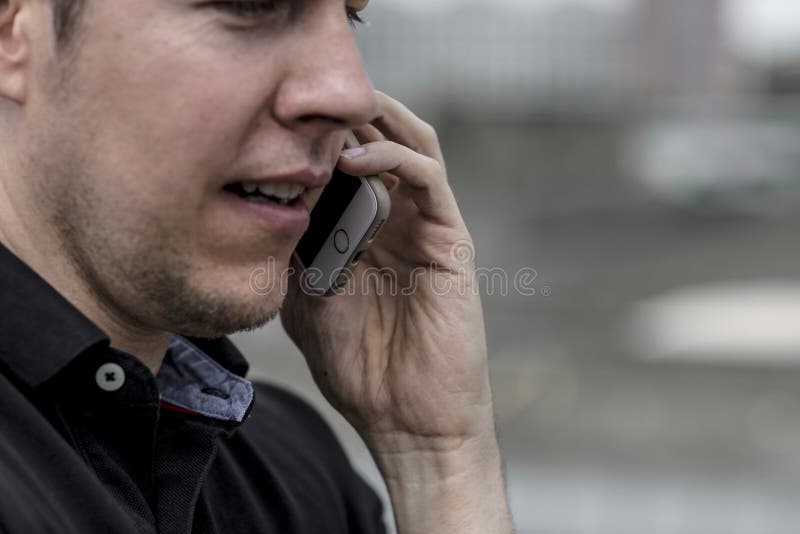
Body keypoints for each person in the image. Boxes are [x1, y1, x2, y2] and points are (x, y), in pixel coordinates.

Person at [0, 0, 513, 532]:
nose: (351, 95)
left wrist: (437, 461)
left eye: (350, 18)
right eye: (251, 7)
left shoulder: (300, 476)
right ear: (15, 31)